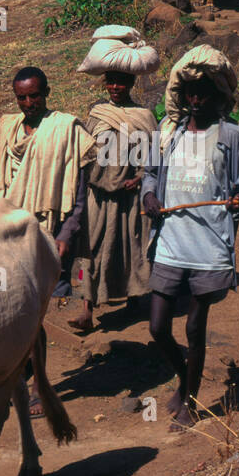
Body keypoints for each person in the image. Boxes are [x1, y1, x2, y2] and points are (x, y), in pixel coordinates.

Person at [0, 67, 97, 413]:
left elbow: (77, 191)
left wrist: (66, 234)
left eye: (35, 95)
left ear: (47, 92)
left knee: (32, 317)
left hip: (43, 234)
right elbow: (8, 177)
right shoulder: (10, 129)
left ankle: (40, 388)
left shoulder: (65, 129)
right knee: (6, 312)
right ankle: (10, 377)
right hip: (7, 233)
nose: (29, 103)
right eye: (22, 97)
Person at [143, 49, 239, 431]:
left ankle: (189, 403)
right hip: (171, 241)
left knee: (194, 328)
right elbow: (150, 175)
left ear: (218, 97)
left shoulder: (231, 136)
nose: (195, 100)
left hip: (209, 245)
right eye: (189, 92)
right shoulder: (168, 133)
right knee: (158, 327)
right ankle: (184, 375)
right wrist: (149, 196)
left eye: (203, 93)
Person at [68, 70, 158, 333]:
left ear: (132, 83)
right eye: (110, 81)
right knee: (91, 249)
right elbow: (85, 153)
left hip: (130, 198)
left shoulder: (143, 117)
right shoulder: (98, 115)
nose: (115, 87)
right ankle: (86, 308)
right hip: (98, 195)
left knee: (131, 245)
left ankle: (135, 297)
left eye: (121, 82)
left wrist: (140, 178)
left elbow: (153, 157)